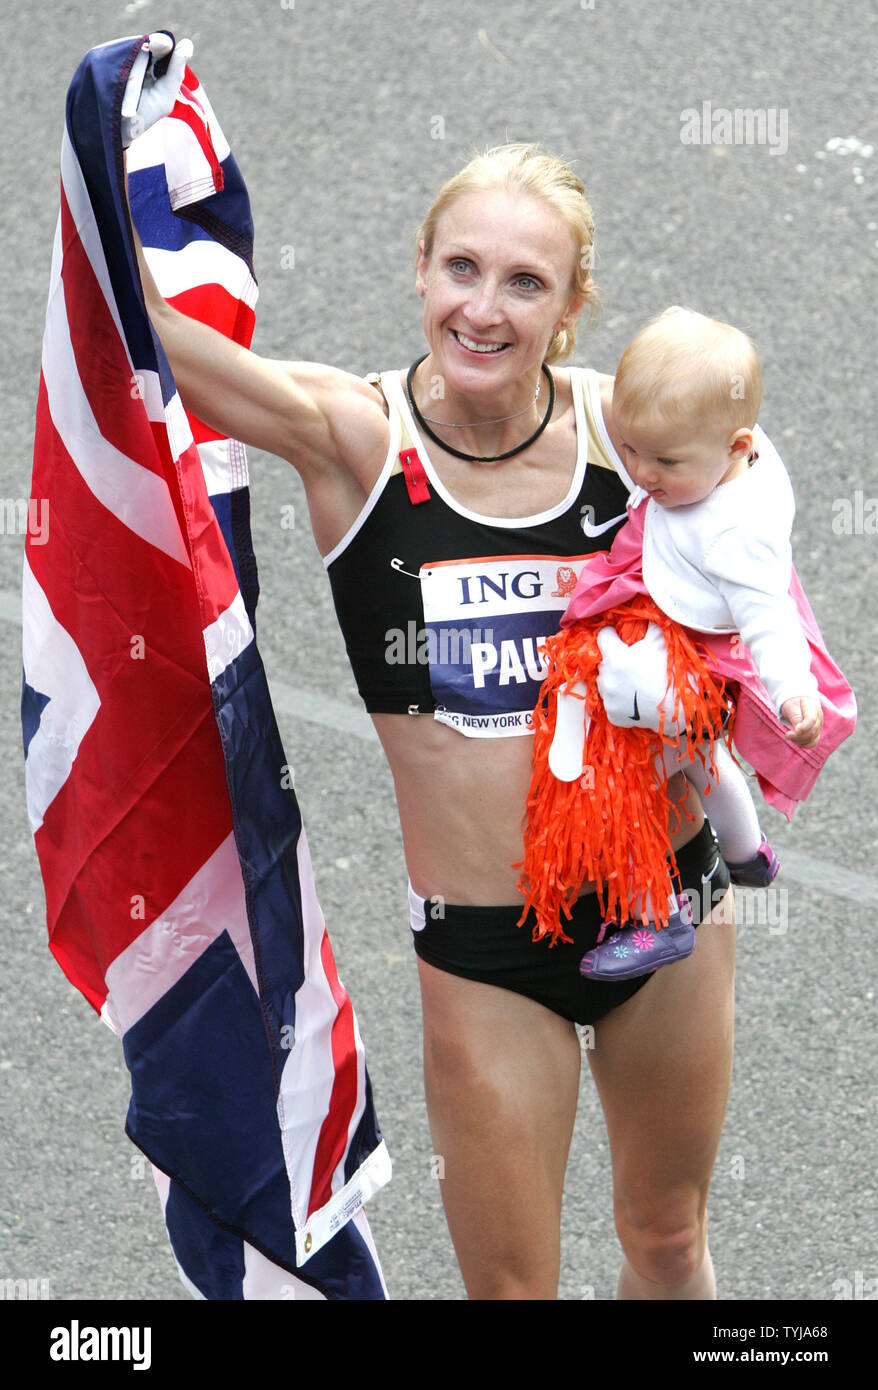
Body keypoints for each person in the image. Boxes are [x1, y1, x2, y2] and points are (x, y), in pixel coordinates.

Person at [127, 37, 740, 1300]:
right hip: (482, 951)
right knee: (512, 1296)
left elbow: (753, 543)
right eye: (460, 268)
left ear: (568, 310)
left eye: (525, 283)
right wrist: (98, 172)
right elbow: (175, 352)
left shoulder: (625, 444)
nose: (483, 307)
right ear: (418, 272)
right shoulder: (356, 438)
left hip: (663, 909)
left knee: (666, 1241)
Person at [519, 306, 836, 978]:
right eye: (631, 450)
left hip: (681, 669)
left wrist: (793, 691)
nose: (642, 472)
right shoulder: (729, 455)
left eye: (664, 460)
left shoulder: (735, 534)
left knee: (609, 778)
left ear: (736, 444)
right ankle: (749, 854)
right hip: (681, 662)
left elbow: (769, 614)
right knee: (700, 759)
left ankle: (655, 915)